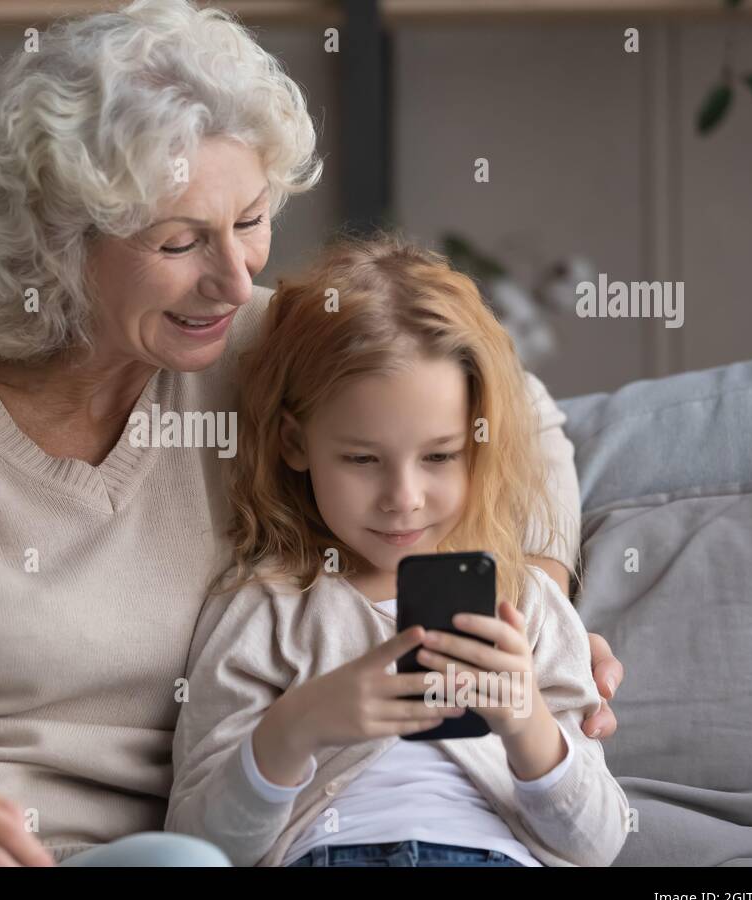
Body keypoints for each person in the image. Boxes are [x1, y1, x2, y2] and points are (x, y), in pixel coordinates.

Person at [0, 0, 620, 868]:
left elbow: (509, 406)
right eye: (177, 243)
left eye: (250, 221)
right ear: (56, 242)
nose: (237, 280)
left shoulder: (257, 353)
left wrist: (525, 585)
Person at [166, 234, 629, 867]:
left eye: (439, 456)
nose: (403, 497)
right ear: (296, 445)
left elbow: (599, 843)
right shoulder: (268, 609)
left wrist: (527, 723)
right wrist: (294, 728)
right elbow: (198, 845)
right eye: (361, 459)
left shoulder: (526, 605)